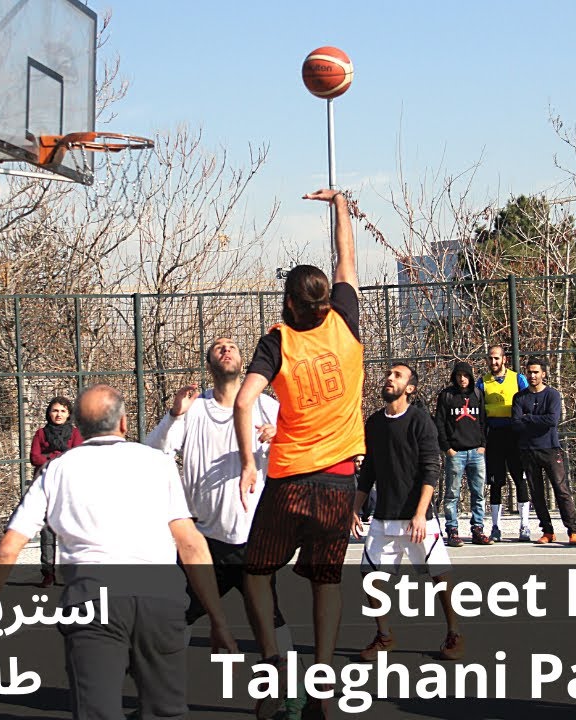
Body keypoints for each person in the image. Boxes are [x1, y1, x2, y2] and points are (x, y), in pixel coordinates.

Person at [0, 385, 237, 720]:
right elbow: (191, 544)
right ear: (124, 423)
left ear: (79, 428)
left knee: (97, 711)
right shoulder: (158, 463)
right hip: (160, 599)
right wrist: (218, 618)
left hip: (93, 600)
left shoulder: (57, 470)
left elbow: (7, 549)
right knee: (165, 711)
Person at [233, 188, 363, 720]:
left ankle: (272, 673)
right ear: (326, 299)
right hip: (339, 481)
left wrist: (246, 462)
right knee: (326, 583)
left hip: (289, 480)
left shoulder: (278, 341)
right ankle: (325, 688)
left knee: (256, 573)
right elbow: (346, 257)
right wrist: (339, 206)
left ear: (289, 302)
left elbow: (245, 401)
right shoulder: (346, 320)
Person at [143, 338, 299, 668]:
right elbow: (153, 453)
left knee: (271, 619)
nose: (226, 349)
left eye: (232, 346)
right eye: (218, 347)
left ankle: (291, 693)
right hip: (204, 541)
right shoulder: (194, 408)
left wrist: (282, 437)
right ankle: (157, 691)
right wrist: (173, 415)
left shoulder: (268, 408)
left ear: (243, 361)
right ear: (209, 363)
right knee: (174, 616)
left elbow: (301, 455)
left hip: (253, 538)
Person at [354, 363, 464, 662]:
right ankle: (384, 636)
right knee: (370, 578)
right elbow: (369, 472)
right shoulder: (375, 423)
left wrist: (420, 513)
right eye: (388, 374)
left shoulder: (420, 421)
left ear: (410, 388)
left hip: (417, 517)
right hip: (384, 518)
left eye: (397, 376)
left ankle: (454, 632)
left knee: (439, 575)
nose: (389, 378)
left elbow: (432, 468)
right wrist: (355, 507)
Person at [512, 358, 576, 546]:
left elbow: (552, 420)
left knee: (561, 490)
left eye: (536, 372)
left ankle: (573, 530)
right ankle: (547, 531)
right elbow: (516, 423)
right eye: (529, 372)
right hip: (527, 450)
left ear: (543, 374)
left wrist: (528, 418)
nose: (532, 376)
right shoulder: (520, 397)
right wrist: (531, 420)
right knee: (536, 493)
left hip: (550, 449)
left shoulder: (552, 395)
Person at [479, 344, 531, 542]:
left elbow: (527, 402)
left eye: (497, 358)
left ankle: (524, 525)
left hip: (515, 435)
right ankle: (495, 526)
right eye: (490, 358)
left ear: (504, 360)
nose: (493, 362)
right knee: (495, 482)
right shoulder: (482, 383)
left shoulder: (518, 379)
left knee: (520, 479)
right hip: (494, 436)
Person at [29, 396, 83, 587]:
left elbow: (76, 457)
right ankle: (48, 573)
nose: (58, 414)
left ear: (68, 414)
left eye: (62, 411)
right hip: (45, 487)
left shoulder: (75, 434)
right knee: (47, 531)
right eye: (55, 410)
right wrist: (59, 457)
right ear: (48, 413)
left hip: (68, 487)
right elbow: (35, 457)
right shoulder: (41, 434)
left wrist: (49, 457)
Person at [435, 360, 489, 547]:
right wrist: (447, 448)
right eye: (459, 375)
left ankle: (478, 529)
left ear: (471, 377)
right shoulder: (447, 396)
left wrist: (482, 444)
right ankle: (452, 529)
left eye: (466, 375)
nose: (462, 379)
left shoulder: (477, 394)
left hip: (476, 451)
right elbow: (439, 423)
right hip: (456, 452)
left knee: (479, 493)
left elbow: (483, 420)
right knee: (452, 494)